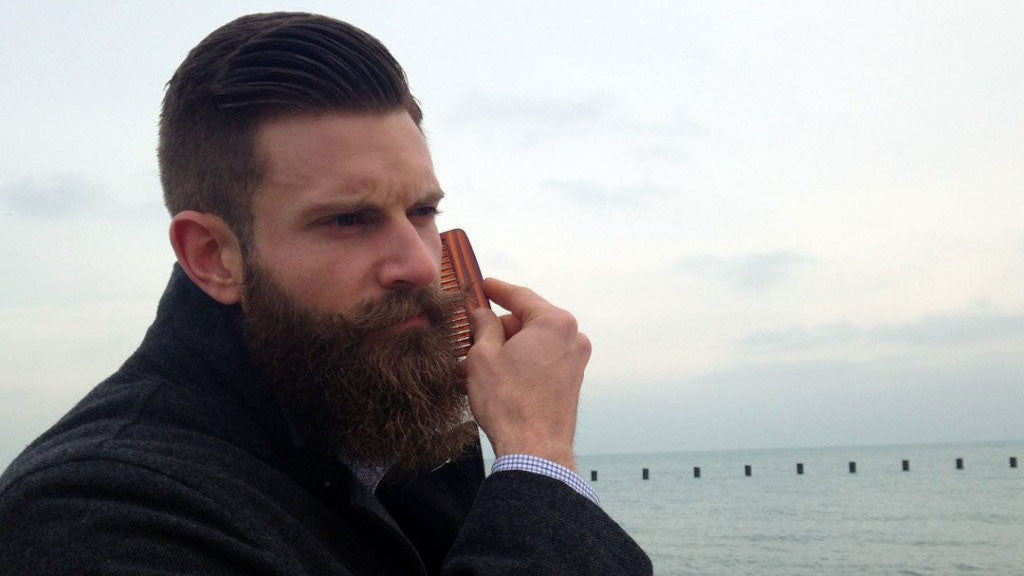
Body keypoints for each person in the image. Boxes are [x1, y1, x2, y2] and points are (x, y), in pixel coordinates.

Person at [0, 12, 650, 575]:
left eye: (423, 211)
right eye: (348, 220)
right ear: (213, 257)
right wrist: (537, 453)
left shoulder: (392, 420)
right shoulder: (94, 513)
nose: (418, 265)